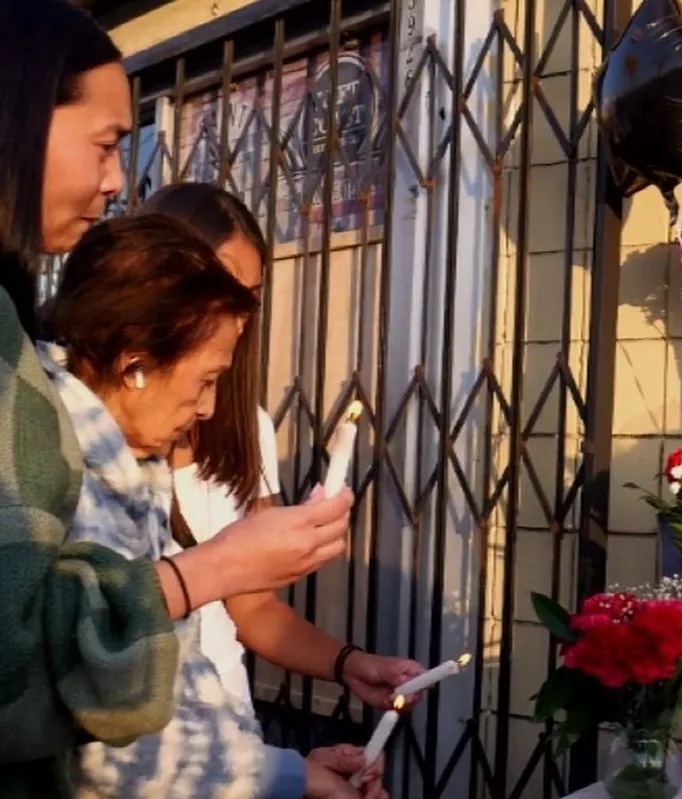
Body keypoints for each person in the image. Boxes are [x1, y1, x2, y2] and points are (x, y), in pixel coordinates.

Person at [0, 2, 351, 794]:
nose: (119, 180)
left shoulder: (137, 443)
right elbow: (62, 700)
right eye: (107, 143)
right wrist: (208, 570)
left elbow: (226, 631)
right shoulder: (62, 441)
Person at [41, 214, 384, 799]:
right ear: (137, 363)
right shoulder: (63, 472)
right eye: (204, 379)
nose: (206, 408)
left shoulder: (130, 467)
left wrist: (277, 768)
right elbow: (106, 738)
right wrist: (285, 777)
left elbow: (181, 672)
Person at [138, 182, 425, 713]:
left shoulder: (247, 428)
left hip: (229, 738)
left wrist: (350, 664)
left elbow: (251, 610)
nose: (235, 319)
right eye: (220, 287)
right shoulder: (88, 433)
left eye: (248, 299)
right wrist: (224, 561)